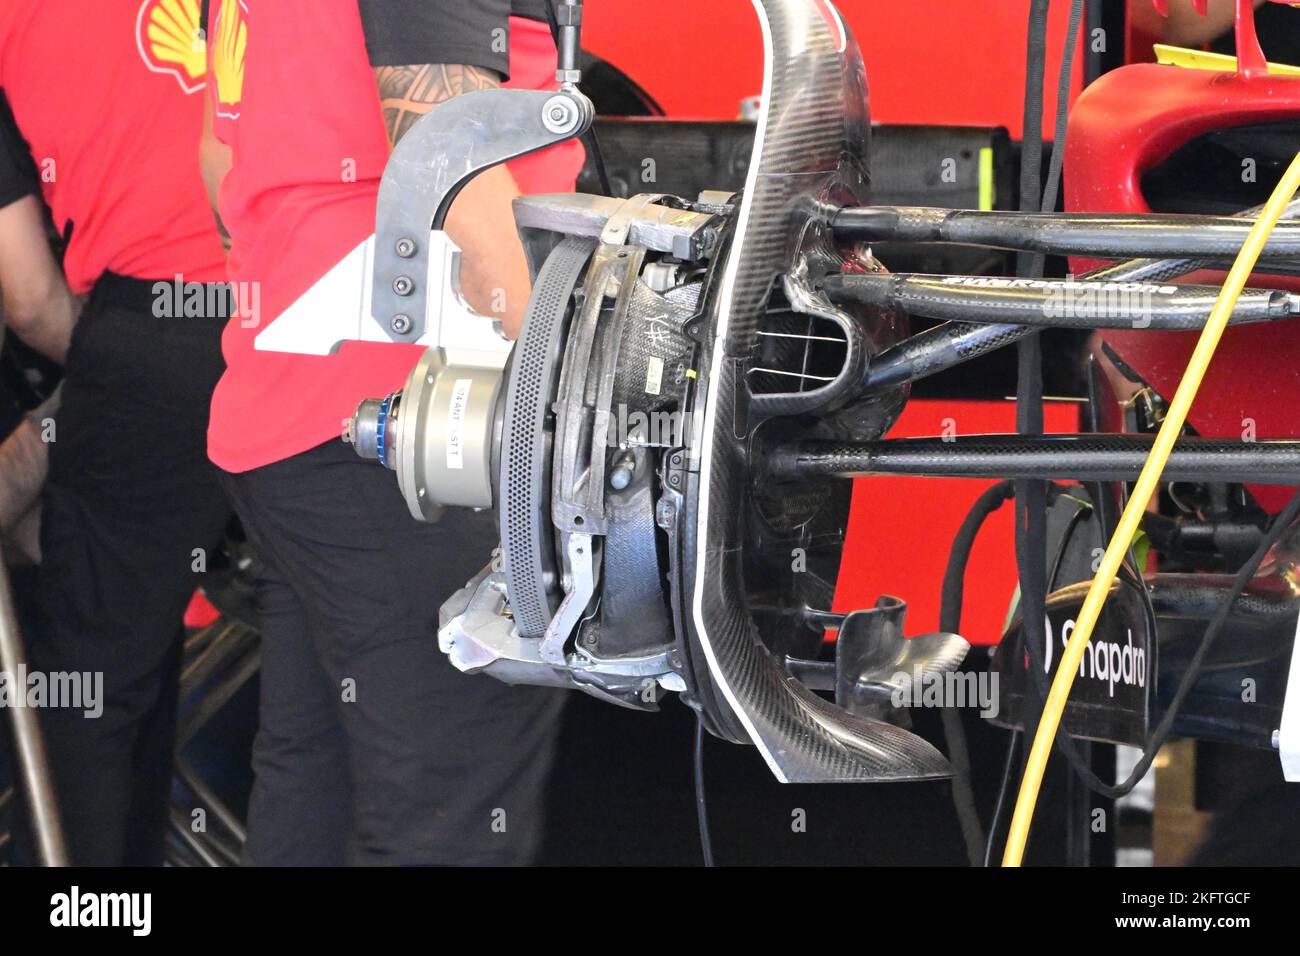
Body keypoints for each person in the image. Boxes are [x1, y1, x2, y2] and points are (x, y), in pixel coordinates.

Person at [199, 0, 582, 865]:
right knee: (447, 811)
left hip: (296, 410)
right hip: (419, 421)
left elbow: (217, 155)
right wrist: (566, 396)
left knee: (318, 785)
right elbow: (451, 144)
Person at [0, 0, 232, 865]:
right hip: (319, 317)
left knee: (97, 679)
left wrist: (115, 354)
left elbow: (27, 298)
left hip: (152, 331)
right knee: (323, 693)